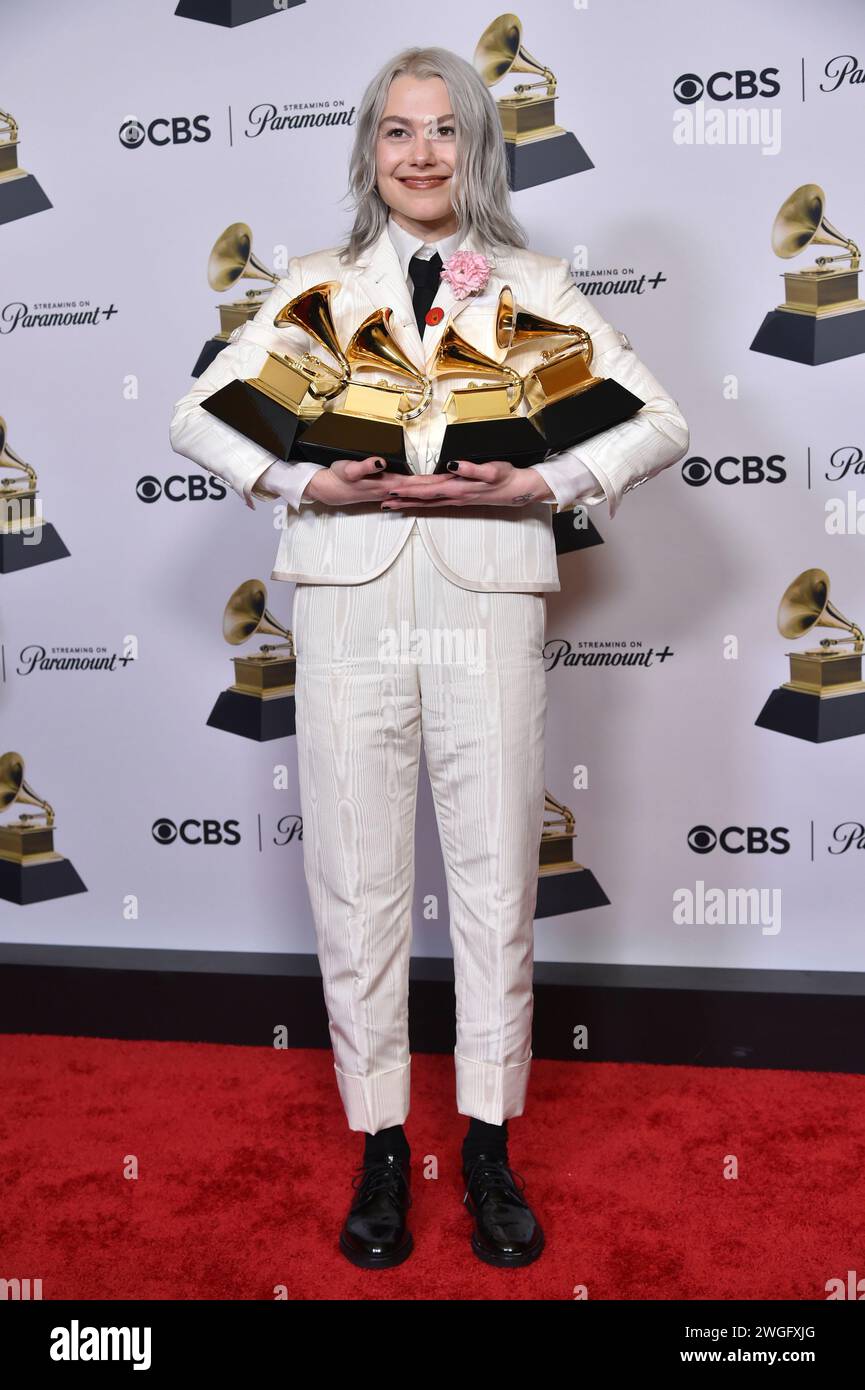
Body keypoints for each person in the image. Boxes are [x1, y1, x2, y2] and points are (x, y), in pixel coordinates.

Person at [169, 45, 689, 1271]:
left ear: (477, 148)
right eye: (398, 132)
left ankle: (491, 1140)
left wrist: (544, 483)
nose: (419, 153)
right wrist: (303, 480)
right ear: (368, 150)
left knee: (499, 876)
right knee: (356, 887)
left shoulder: (536, 282)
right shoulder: (310, 285)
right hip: (345, 606)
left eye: (444, 131)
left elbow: (661, 418)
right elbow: (196, 415)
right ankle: (381, 1145)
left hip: (488, 600)